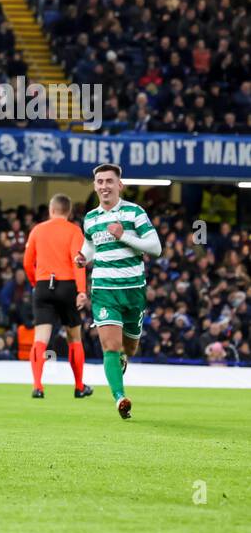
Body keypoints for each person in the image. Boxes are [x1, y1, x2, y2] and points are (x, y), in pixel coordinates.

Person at [76, 164, 161, 419]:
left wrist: (124, 236)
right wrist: (83, 258)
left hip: (133, 289)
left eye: (109, 181)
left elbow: (155, 248)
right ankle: (119, 398)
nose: (104, 186)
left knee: (130, 347)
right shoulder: (91, 218)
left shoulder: (135, 212)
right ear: (95, 186)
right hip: (104, 289)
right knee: (109, 345)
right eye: (99, 181)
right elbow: (90, 246)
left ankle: (124, 358)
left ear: (119, 185)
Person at [22, 194, 92, 399]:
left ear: (51, 210)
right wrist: (81, 291)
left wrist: (36, 283)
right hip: (67, 286)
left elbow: (27, 262)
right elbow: (77, 262)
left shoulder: (37, 230)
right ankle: (79, 387)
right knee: (74, 338)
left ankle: (37, 386)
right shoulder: (73, 230)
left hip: (44, 285)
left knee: (40, 338)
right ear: (68, 212)